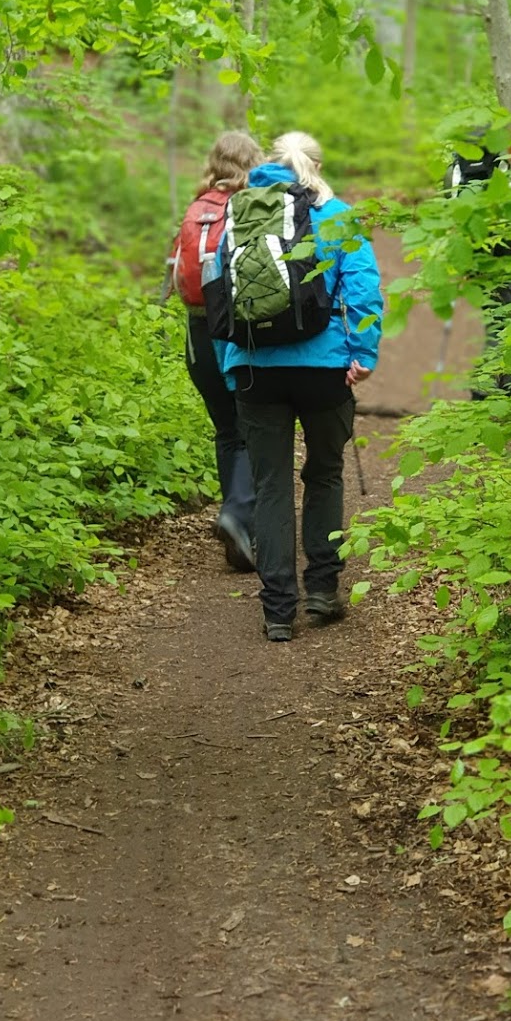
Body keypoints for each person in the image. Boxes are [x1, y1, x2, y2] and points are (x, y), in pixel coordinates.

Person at [212, 131, 383, 642]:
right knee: (326, 474)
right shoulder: (336, 214)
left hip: (254, 368)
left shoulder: (239, 213)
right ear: (316, 164)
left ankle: (278, 610)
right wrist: (362, 355)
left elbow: (219, 292)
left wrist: (229, 363)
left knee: (270, 486)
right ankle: (322, 591)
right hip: (323, 366)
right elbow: (364, 289)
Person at [167, 131, 264, 571]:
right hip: (237, 332)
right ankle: (240, 516)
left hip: (197, 334)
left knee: (227, 431)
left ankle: (236, 527)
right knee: (251, 427)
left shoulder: (195, 209)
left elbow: (175, 279)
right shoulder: (251, 210)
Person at [443, 137, 511, 399]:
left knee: (481, 314)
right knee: (506, 314)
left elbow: (448, 211)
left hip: (471, 248)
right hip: (510, 248)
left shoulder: (456, 169)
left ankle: (489, 382)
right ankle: (500, 386)